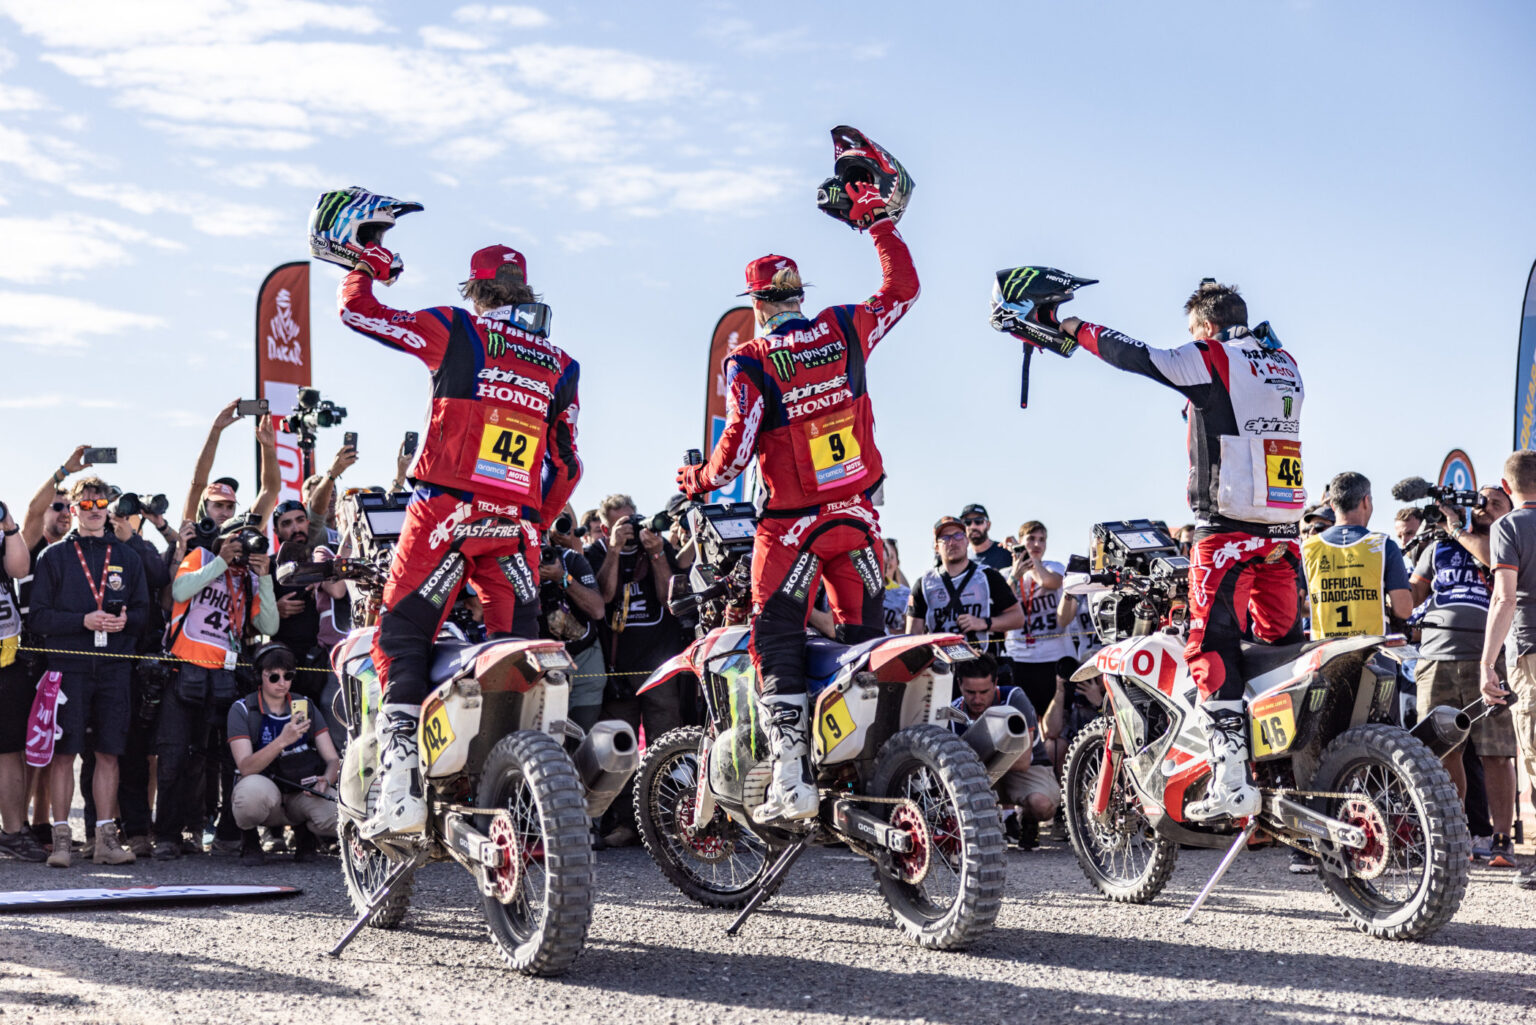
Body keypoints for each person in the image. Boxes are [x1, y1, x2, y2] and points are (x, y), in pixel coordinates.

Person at [676, 180, 918, 823]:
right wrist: (877, 225)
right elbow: (903, 289)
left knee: (775, 635)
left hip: (791, 530)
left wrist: (697, 480)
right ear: (799, 295)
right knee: (864, 643)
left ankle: (792, 778)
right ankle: (874, 770)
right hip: (859, 520)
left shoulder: (751, 359)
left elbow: (737, 448)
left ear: (756, 303)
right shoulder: (844, 326)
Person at [333, 219, 581, 837]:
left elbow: (359, 312)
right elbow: (568, 465)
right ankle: (518, 786)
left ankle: (399, 788)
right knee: (515, 653)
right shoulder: (561, 364)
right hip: (514, 528)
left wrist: (366, 264)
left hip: (445, 513)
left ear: (475, 289)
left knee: (403, 633)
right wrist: (533, 518)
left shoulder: (457, 327)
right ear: (524, 290)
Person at [1036, 280, 1306, 821]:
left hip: (1228, 532)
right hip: (1282, 536)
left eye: (1192, 332)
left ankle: (1230, 779)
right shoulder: (1285, 362)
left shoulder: (1215, 356)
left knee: (1211, 648)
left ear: (1206, 328)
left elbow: (1140, 357)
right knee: (1279, 652)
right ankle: (1288, 777)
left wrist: (1070, 327)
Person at [28, 477, 150, 867]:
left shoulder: (127, 555)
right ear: (74, 508)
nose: (94, 510)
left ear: (108, 508)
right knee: (64, 754)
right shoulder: (54, 556)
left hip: (114, 667)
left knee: (109, 753)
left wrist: (126, 621)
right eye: (86, 503)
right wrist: (82, 620)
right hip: (68, 667)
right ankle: (62, 840)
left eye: (100, 503)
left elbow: (146, 613)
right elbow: (38, 618)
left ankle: (106, 840)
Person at [154, 513, 279, 860]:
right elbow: (179, 591)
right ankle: (167, 835)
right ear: (223, 540)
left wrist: (265, 578)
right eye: (238, 539)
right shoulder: (202, 557)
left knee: (228, 761)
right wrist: (221, 561)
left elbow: (269, 625)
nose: (243, 547)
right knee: (173, 759)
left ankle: (228, 834)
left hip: (224, 677)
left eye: (249, 540)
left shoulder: (248, 578)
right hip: (184, 671)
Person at [1410, 484, 1518, 866]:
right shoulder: (1438, 547)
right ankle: (1455, 833)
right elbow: (1411, 594)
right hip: (1435, 657)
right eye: (1482, 501)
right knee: (1443, 749)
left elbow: (1489, 557)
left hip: (1485, 658)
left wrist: (1456, 527)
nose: (1486, 507)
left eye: (1496, 503)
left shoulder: (1505, 542)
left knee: (1496, 751)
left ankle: (1502, 839)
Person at [227, 644, 339, 865]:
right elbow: (246, 767)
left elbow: (333, 759)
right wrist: (282, 741)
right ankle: (250, 839)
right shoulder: (243, 709)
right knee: (249, 796)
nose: (282, 683)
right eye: (274, 677)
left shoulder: (305, 705)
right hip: (266, 790)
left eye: (288, 676)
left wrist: (326, 780)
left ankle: (305, 834)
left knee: (338, 814)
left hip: (301, 791)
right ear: (259, 676)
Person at [1480, 450, 1536, 889]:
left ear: (1505, 485)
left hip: (1530, 650)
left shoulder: (1509, 526)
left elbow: (1504, 597)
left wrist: (1486, 662)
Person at [949, 655, 1059, 848]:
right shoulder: (952, 713)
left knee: (1042, 805)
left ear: (995, 683)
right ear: (959, 685)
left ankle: (1028, 819)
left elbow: (1023, 762)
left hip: (1023, 768)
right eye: (970, 692)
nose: (977, 699)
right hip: (981, 774)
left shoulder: (1014, 698)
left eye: (984, 692)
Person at [1302, 472, 1412, 639]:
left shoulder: (1308, 548)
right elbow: (1404, 609)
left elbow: (1294, 608)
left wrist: (1326, 604)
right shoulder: (1383, 545)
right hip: (1373, 649)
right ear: (1366, 501)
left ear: (1333, 505)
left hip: (1325, 649)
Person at [0, 497, 46, 861]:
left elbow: (19, 568)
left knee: (9, 751)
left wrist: (9, 525)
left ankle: (13, 832)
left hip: (8, 662)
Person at [907, 517, 1023, 648]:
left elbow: (1018, 618)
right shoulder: (924, 584)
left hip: (983, 658)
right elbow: (912, 637)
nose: (952, 542)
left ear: (967, 540)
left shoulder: (988, 576)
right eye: (945, 538)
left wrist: (984, 623)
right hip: (941, 659)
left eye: (958, 535)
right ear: (936, 547)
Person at [1001, 521, 1069, 715]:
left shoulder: (1054, 566)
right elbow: (1001, 605)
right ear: (1020, 541)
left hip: (1052, 657)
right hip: (1018, 657)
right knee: (1021, 717)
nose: (1037, 544)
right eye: (1031, 539)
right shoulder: (1006, 574)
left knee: (1054, 719)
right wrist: (1015, 575)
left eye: (1042, 540)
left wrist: (1027, 559)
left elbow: (1050, 582)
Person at [960, 504, 1011, 573]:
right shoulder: (963, 559)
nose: (973, 526)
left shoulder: (1006, 552)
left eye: (978, 521)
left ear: (988, 525)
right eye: (967, 522)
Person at [881, 537, 910, 635]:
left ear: (897, 562)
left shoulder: (905, 594)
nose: (887, 561)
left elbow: (912, 628)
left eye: (891, 557)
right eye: (883, 556)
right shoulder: (864, 590)